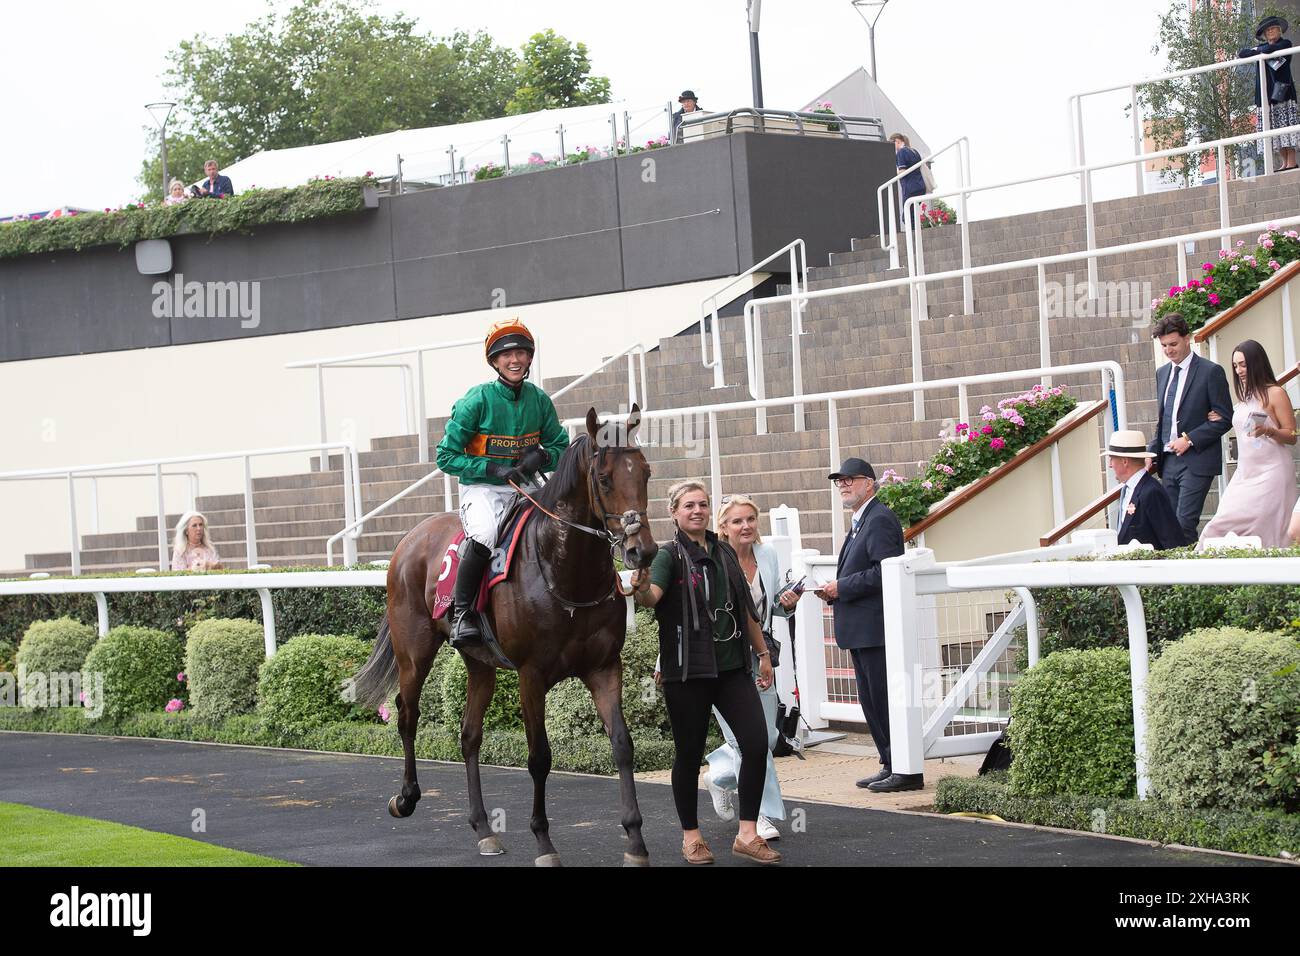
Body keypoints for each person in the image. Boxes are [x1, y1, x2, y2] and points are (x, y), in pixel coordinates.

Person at [630, 481, 781, 865]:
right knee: (688, 754)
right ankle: (692, 837)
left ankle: (747, 834)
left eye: (702, 504)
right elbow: (652, 600)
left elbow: (745, 609)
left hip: (732, 668)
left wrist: (762, 653)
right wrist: (641, 584)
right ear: (675, 513)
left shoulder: (725, 551)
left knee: (755, 742)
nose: (697, 510)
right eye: (688, 505)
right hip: (688, 672)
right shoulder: (667, 555)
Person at [435, 318, 569, 650]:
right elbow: (445, 456)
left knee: (563, 524)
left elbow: (560, 447)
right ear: (495, 361)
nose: (515, 360)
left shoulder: (539, 401)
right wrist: (492, 468)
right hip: (483, 489)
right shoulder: (476, 401)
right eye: (506, 354)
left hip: (527, 486)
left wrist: (540, 457)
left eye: (522, 353)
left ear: (529, 358)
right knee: (484, 534)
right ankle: (463, 613)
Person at [703, 493, 800, 843]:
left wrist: (787, 604)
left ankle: (720, 775)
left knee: (767, 739)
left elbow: (770, 608)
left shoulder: (767, 555)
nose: (745, 526)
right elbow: (690, 611)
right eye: (736, 521)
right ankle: (760, 814)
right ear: (723, 527)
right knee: (748, 743)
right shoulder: (712, 558)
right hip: (720, 662)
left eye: (750, 519)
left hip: (761, 659)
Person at [816, 458, 915, 793]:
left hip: (876, 630)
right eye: (839, 481)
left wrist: (841, 587)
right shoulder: (862, 520)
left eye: (850, 479)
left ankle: (904, 769)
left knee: (883, 699)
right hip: (861, 629)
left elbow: (883, 571)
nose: (843, 484)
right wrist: (835, 588)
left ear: (869, 483)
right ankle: (889, 763)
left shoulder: (880, 519)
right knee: (872, 701)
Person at [1199, 341, 1298, 547]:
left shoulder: (1275, 393)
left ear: (1256, 363)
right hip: (1245, 473)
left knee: (1269, 533)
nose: (1239, 371)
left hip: (1272, 473)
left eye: (1243, 365)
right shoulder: (1244, 397)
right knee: (1217, 526)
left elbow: (1292, 435)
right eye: (1235, 366)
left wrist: (1269, 431)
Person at [1147, 313, 1234, 544]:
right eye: (1164, 345)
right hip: (1168, 460)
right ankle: (1177, 576)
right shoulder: (1162, 373)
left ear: (1188, 338)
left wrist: (1190, 439)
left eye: (1173, 344)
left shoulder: (1210, 371)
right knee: (1168, 526)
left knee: (1184, 523)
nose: (1169, 350)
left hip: (1197, 459)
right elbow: (1164, 419)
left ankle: (1186, 579)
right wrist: (1150, 452)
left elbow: (1225, 418)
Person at [1104, 430, 1184, 550]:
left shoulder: (1151, 492)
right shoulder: (1128, 490)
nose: (1110, 465)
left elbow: (1172, 541)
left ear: (1125, 461)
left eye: (1112, 459)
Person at [1239, 16, 1297, 172]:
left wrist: (1258, 50)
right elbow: (1242, 53)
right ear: (1264, 34)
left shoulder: (1285, 44)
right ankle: (1284, 162)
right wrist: (1259, 49)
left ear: (1279, 30)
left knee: (1286, 126)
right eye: (1268, 30)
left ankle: (1292, 161)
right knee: (1272, 127)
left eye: (1273, 29)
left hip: (1282, 91)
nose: (1271, 32)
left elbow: (1269, 50)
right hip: (1265, 94)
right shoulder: (1263, 47)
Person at [891, 133, 926, 231]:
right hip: (920, 186)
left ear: (897, 141)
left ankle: (914, 238)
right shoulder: (914, 152)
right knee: (912, 215)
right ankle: (917, 235)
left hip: (910, 188)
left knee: (906, 217)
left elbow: (902, 171)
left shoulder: (901, 152)